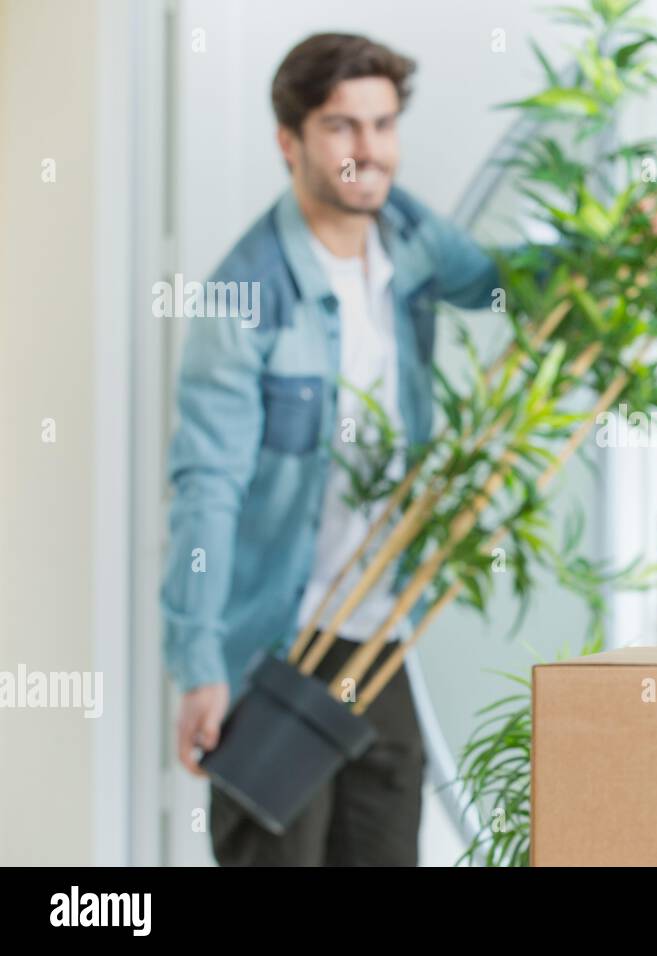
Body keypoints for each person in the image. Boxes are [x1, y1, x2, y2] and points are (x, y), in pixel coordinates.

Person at [161, 32, 507, 866]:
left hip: (382, 632)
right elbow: (208, 484)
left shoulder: (410, 237)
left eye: (383, 125)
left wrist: (612, 256)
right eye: (342, 127)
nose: (368, 151)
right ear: (291, 141)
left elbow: (501, 280)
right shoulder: (248, 294)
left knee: (389, 847)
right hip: (281, 644)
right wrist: (200, 661)